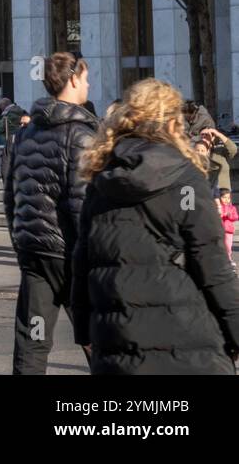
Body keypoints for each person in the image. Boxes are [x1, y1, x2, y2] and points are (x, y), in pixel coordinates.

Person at [73, 79, 239, 373]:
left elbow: (83, 261)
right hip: (186, 342)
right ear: (172, 123)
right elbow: (212, 266)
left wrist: (85, 331)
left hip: (116, 342)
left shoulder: (103, 178)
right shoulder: (184, 176)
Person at [2, 51, 97, 375]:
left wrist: (22, 242)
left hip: (36, 252)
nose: (88, 84)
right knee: (97, 336)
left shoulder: (27, 134)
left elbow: (11, 195)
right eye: (85, 78)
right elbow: (80, 203)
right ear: (72, 80)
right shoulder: (81, 135)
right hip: (70, 254)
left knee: (33, 339)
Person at [219, 189, 239, 267]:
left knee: (228, 246)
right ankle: (220, 261)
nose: (227, 199)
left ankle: (229, 260)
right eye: (224, 197)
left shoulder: (231, 208)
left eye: (228, 197)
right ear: (219, 197)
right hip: (219, 230)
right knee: (219, 246)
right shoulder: (218, 207)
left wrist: (229, 215)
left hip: (228, 231)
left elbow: (236, 217)